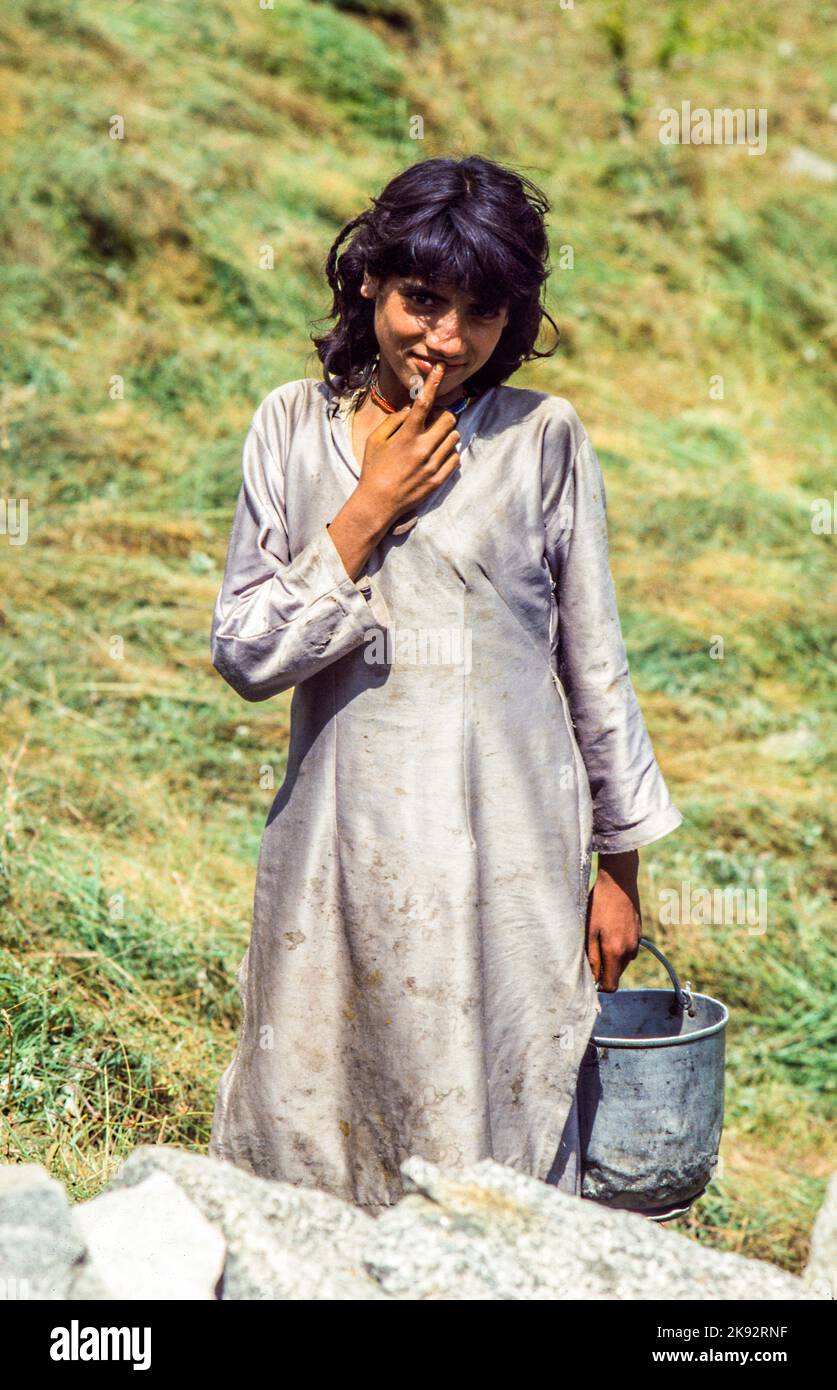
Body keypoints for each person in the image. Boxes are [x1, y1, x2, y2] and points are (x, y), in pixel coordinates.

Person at [207, 155, 683, 1214]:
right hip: (338, 849)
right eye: (423, 299)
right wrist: (364, 513)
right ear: (371, 282)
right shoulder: (291, 430)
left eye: (479, 312)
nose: (445, 339)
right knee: (318, 1112)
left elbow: (595, 665)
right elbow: (243, 652)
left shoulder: (539, 439)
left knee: (492, 1131)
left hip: (503, 857)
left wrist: (621, 868)